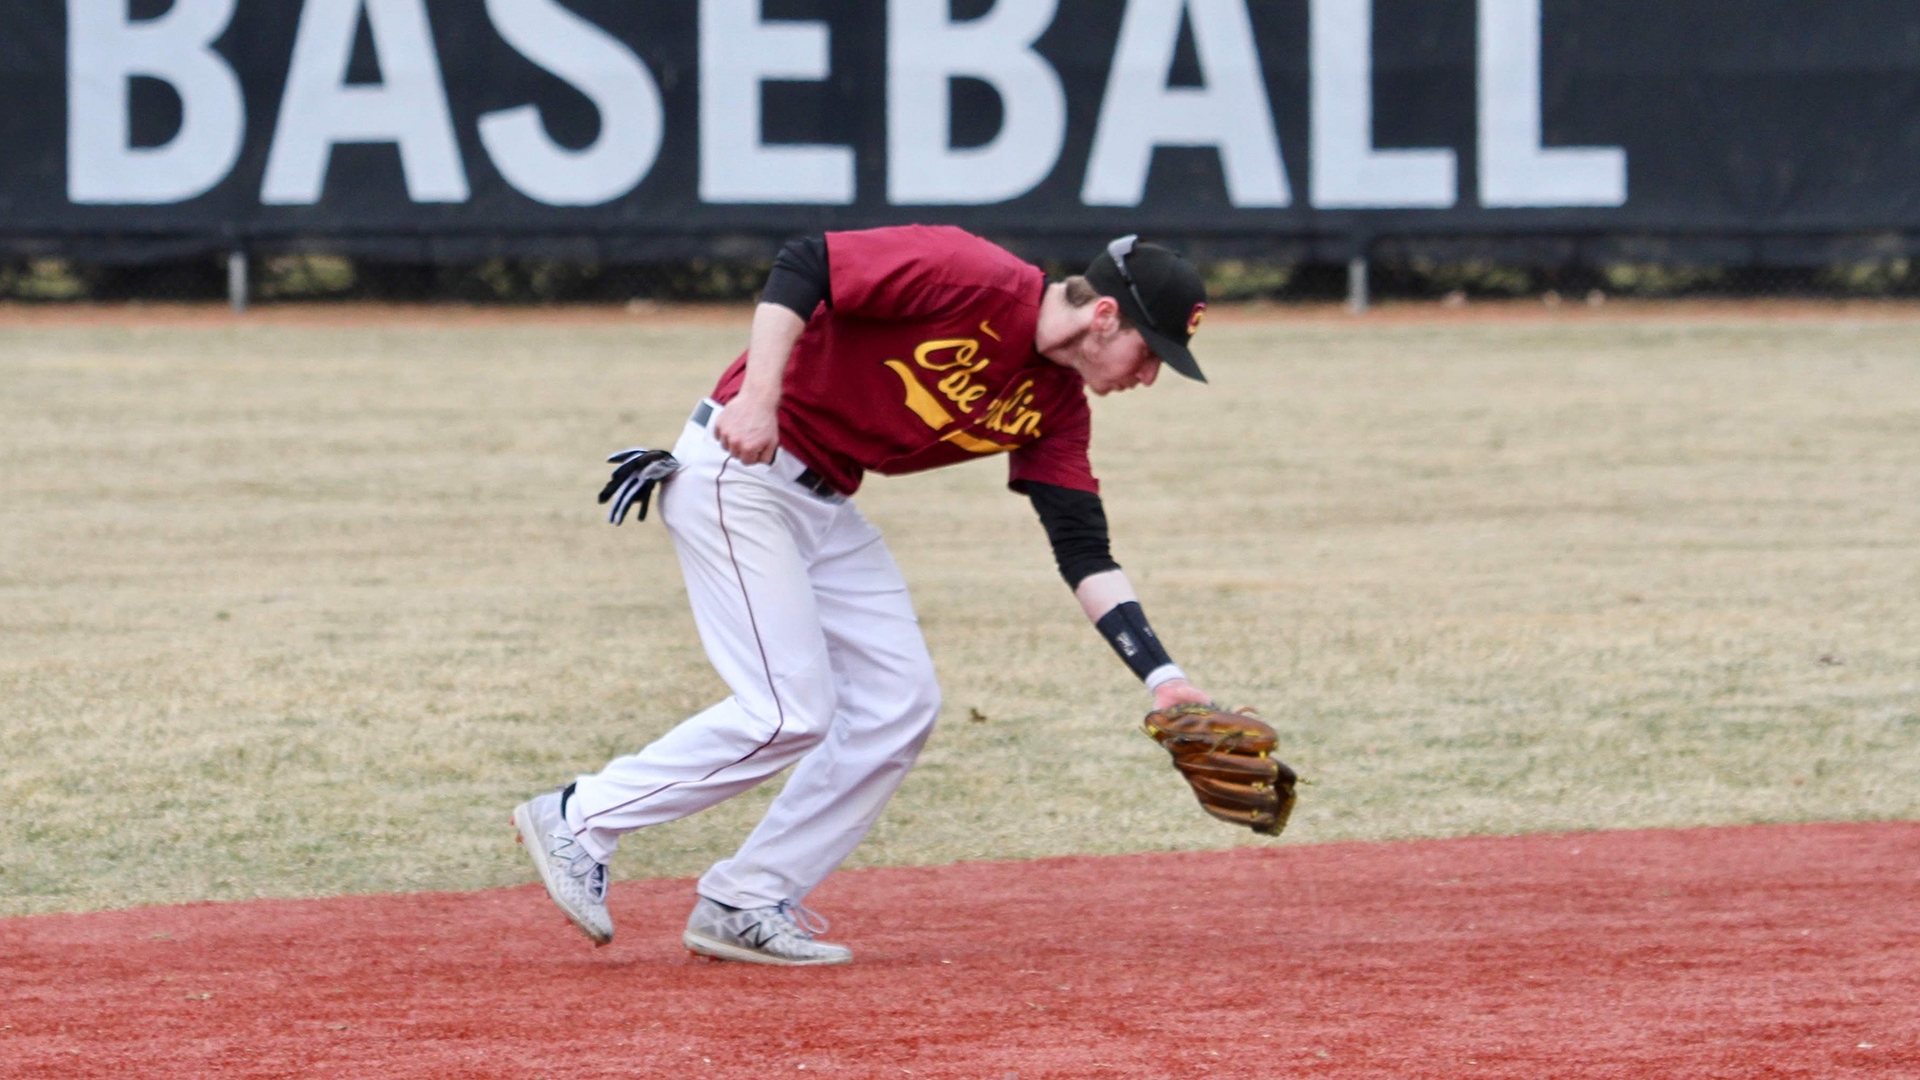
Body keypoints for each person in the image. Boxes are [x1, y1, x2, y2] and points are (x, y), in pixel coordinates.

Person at [512, 225, 1216, 965]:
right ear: (1104, 316)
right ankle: (579, 817)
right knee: (788, 710)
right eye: (1152, 353)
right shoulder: (972, 274)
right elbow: (805, 261)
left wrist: (1163, 677)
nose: (1149, 378)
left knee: (899, 703)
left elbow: (1083, 551)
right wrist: (757, 396)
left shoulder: (1056, 406)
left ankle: (745, 898)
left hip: (824, 505)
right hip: (738, 471)